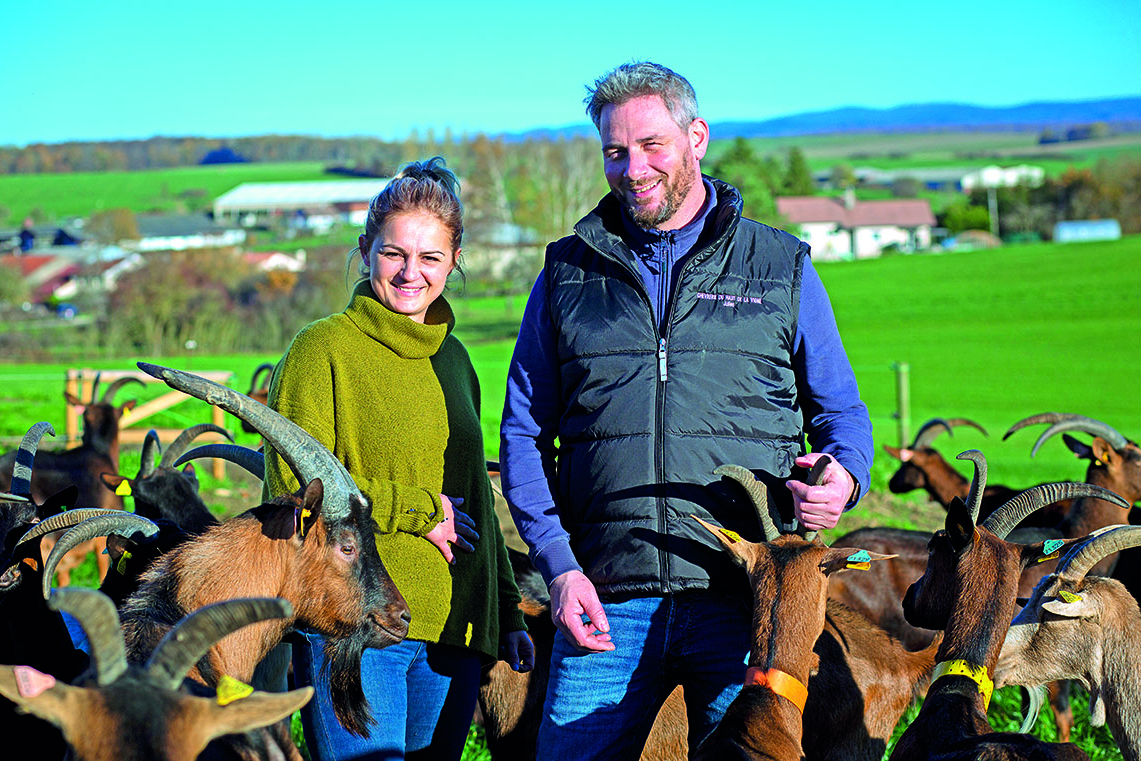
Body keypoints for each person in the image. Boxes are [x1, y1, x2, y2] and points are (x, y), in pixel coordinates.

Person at [500, 62, 874, 758]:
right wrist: (558, 565)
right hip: (602, 600)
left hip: (745, 607)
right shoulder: (565, 272)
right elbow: (522, 430)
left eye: (651, 145)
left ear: (695, 137)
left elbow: (843, 415)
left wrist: (842, 477)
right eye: (614, 151)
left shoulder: (779, 265)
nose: (632, 168)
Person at [264, 157, 534, 761]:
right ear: (365, 252)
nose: (412, 272)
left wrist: (507, 609)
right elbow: (290, 487)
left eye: (431, 258)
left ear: (455, 261)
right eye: (394, 254)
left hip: (452, 632)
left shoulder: (456, 361)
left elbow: (476, 504)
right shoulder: (324, 347)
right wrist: (416, 510)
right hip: (355, 624)